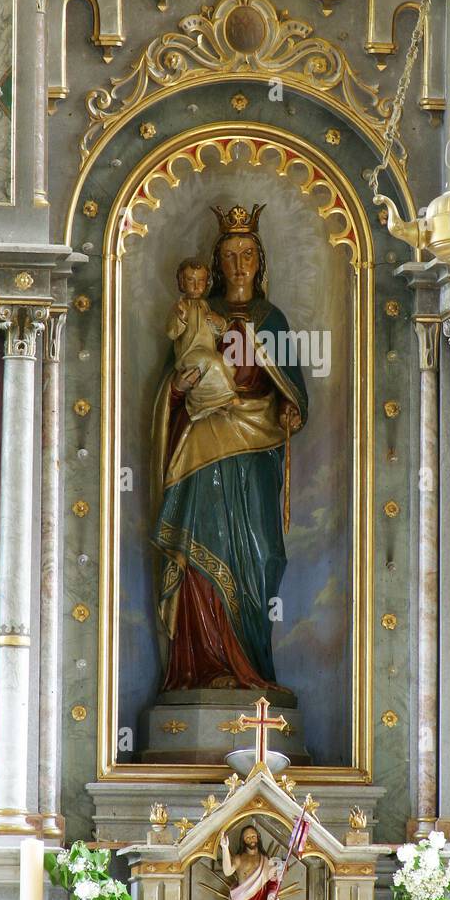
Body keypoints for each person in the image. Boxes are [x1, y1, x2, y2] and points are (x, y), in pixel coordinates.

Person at [151, 204, 307, 692]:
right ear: (216, 265)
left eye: (248, 254)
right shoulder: (203, 316)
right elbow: (171, 390)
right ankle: (203, 668)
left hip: (257, 447)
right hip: (204, 443)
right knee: (202, 548)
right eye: (230, 255)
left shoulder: (272, 320)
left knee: (261, 555)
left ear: (260, 262)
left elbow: (293, 388)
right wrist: (179, 389)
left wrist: (290, 407)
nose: (240, 264)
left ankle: (252, 668)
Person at [166, 257, 236, 423]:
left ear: (207, 283)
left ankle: (213, 402)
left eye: (201, 281)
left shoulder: (205, 305)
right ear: (181, 283)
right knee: (212, 363)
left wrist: (219, 322)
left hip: (206, 351)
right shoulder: (181, 306)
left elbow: (217, 332)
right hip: (190, 355)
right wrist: (180, 318)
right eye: (191, 280)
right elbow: (171, 333)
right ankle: (208, 402)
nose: (197, 286)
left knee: (226, 365)